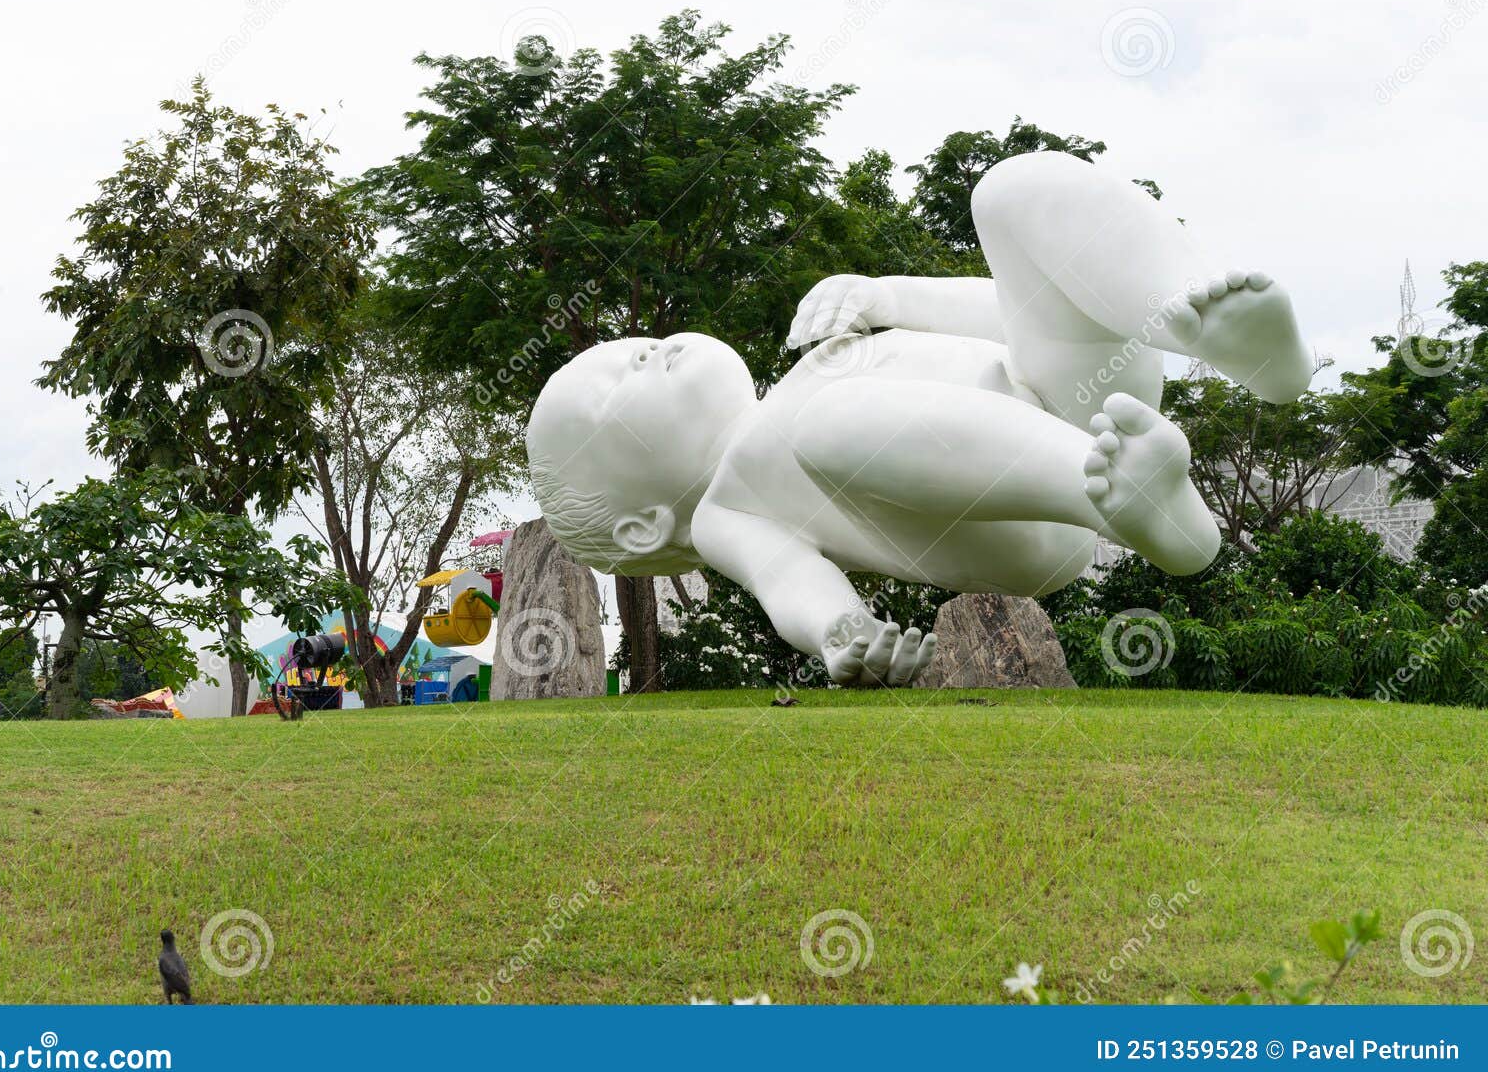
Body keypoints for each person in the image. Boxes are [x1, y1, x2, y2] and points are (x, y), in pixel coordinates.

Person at [527, 153, 1314, 686]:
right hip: (1032, 510)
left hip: (1075, 400)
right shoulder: (729, 506)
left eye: (630, 346)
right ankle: (1141, 511)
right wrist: (843, 630)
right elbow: (789, 579)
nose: (632, 354)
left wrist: (887, 294)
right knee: (824, 423)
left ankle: (1193, 321)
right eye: (608, 391)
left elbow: (1003, 314)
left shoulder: (815, 363)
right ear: (639, 528)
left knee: (1011, 191)